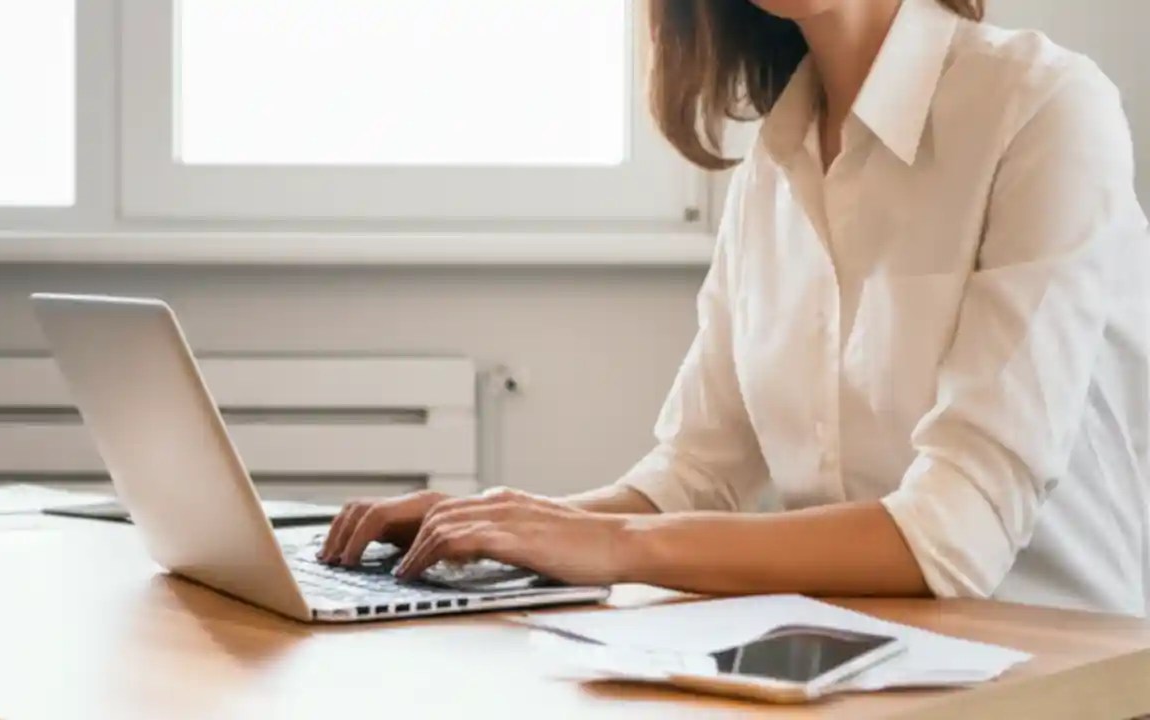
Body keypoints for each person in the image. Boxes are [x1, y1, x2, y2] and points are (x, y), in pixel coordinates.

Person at [320, 0, 1149, 615]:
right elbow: (696, 475)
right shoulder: (771, 170)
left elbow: (957, 527)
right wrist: (501, 526)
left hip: (1055, 674)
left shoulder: (1044, 110)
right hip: (854, 668)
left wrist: (608, 546)